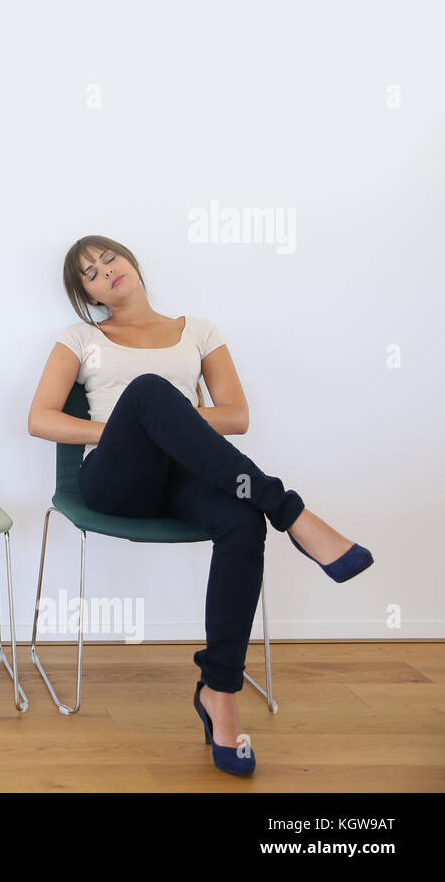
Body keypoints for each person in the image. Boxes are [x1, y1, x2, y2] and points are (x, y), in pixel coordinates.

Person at [26, 234, 374, 775]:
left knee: (240, 521)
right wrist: (132, 428)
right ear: (89, 295)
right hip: (116, 480)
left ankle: (220, 692)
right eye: (90, 272)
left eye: (108, 257)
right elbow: (40, 419)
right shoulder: (80, 337)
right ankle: (295, 515)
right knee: (147, 392)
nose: (104, 270)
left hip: (187, 476)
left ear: (133, 261)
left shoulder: (201, 331)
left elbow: (235, 415)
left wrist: (171, 427)